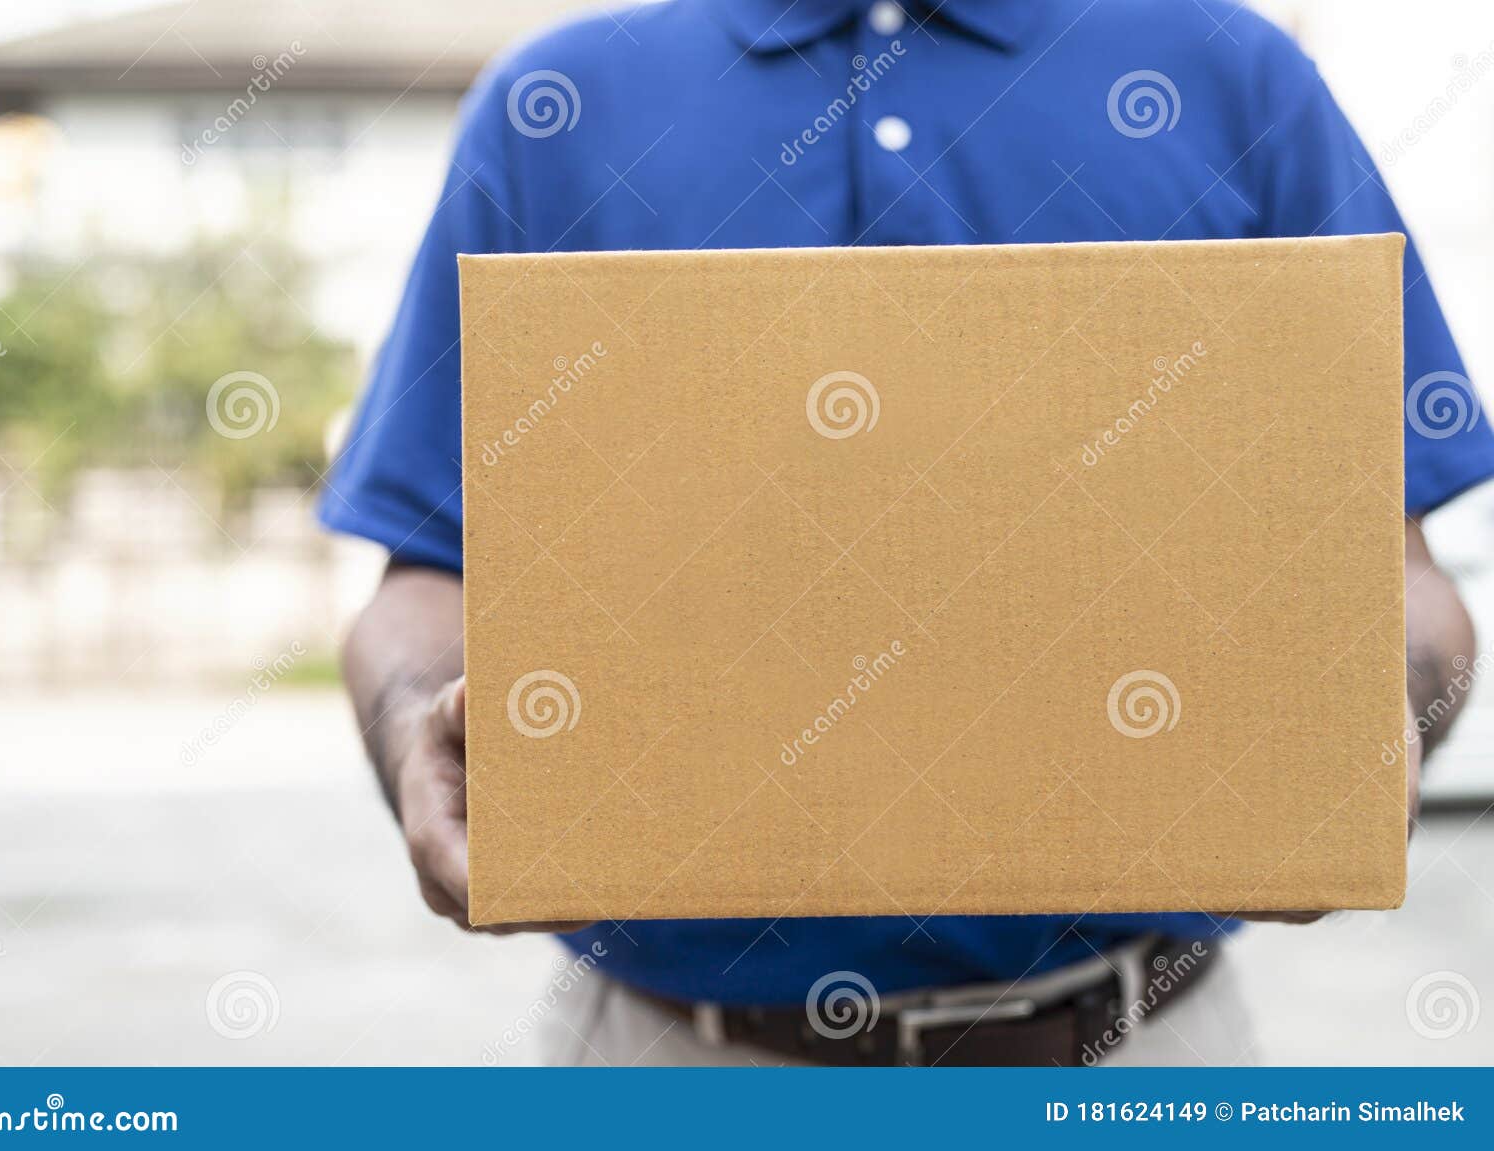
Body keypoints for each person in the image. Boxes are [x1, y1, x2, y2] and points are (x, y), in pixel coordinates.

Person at [319, 0, 1491, 1065]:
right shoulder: (559, 104)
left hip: (1137, 1052)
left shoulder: (1232, 74)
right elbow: (425, 576)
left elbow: (1399, 579)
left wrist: (1371, 717)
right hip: (673, 1060)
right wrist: (418, 742)